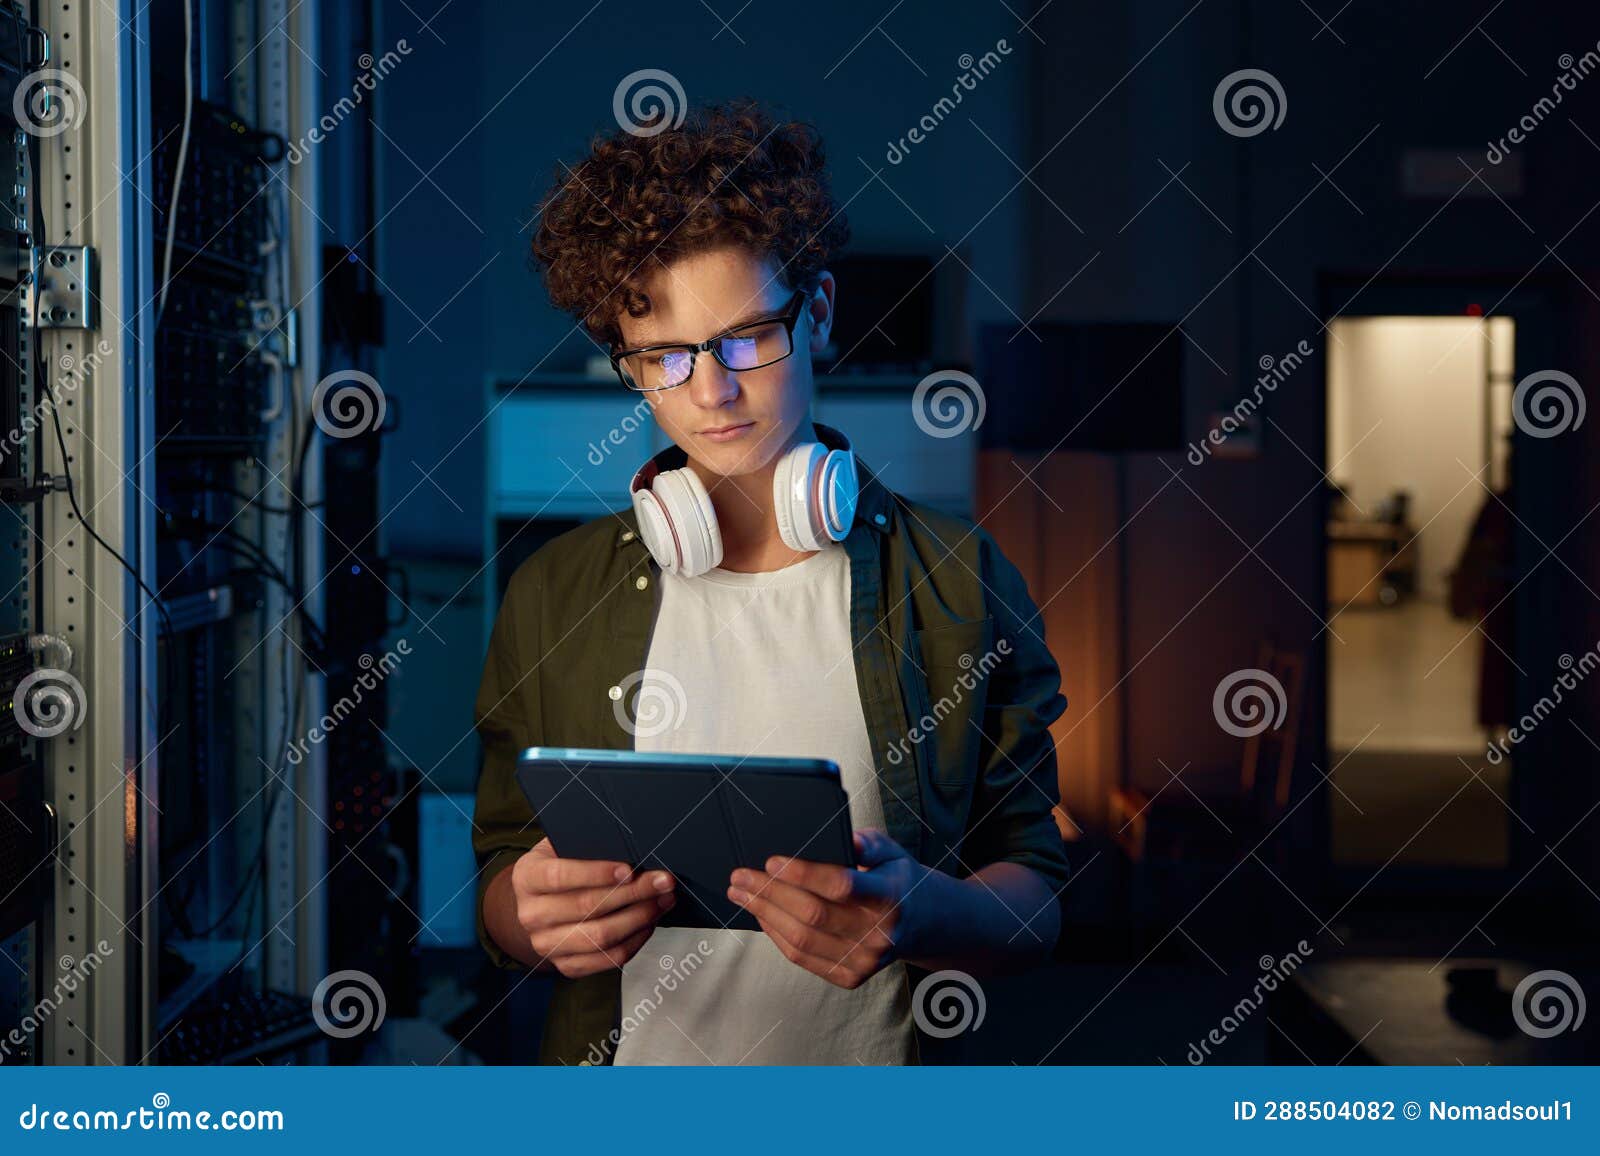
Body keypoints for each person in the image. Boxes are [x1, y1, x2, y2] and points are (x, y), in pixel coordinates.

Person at [472, 99, 1070, 1065]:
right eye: (663, 358)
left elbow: (1037, 901)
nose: (711, 392)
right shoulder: (551, 592)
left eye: (748, 338)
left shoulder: (958, 578)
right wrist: (524, 919)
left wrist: (931, 915)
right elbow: (500, 881)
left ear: (819, 312)